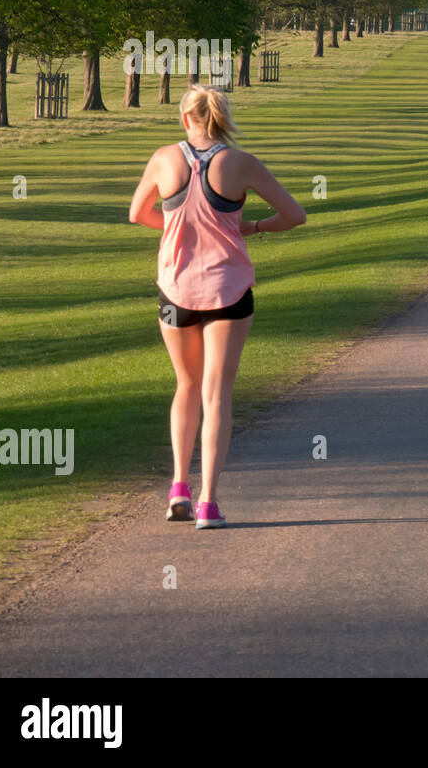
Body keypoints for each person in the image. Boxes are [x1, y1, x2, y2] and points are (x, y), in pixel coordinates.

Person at [128, 84, 307, 528]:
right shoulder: (241, 162)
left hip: (176, 290)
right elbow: (294, 214)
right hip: (228, 291)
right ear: (221, 119)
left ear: (186, 119)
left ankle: (178, 489)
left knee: (185, 386)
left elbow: (138, 213)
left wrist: (177, 228)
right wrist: (252, 228)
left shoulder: (164, 158)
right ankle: (208, 502)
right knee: (217, 394)